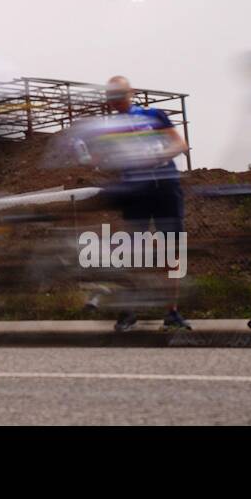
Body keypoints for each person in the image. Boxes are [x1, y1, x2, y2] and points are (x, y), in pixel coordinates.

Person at [94, 75, 192, 331]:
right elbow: (103, 159)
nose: (115, 100)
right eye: (111, 96)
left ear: (131, 93)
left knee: (172, 250)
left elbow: (180, 143)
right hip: (135, 189)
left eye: (119, 94)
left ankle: (171, 311)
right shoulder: (109, 128)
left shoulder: (153, 116)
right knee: (131, 250)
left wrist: (158, 155)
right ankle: (129, 310)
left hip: (164, 186)